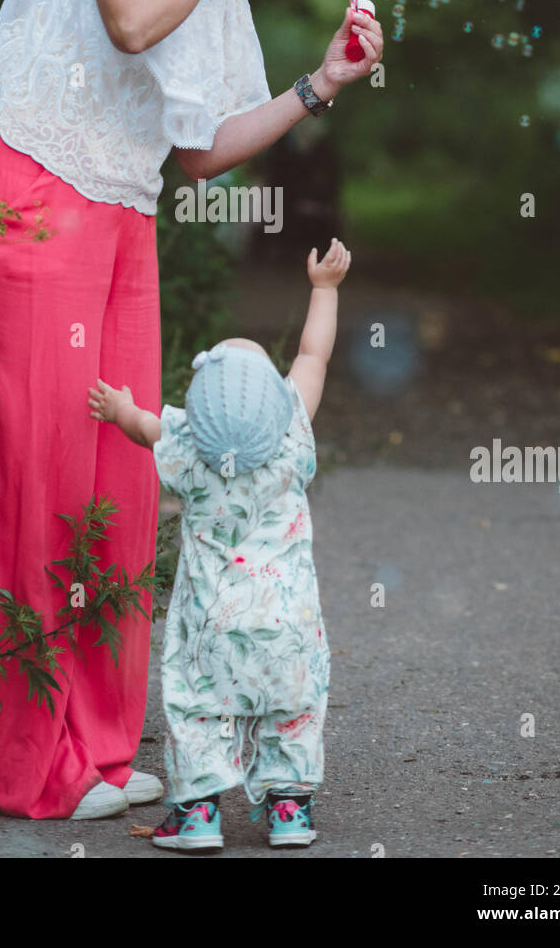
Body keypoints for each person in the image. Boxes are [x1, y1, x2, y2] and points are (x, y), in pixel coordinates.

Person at [0, 0, 382, 822]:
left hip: (122, 221)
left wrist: (318, 82)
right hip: (35, 194)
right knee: (34, 467)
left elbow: (198, 151)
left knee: (120, 482)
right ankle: (21, 762)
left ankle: (93, 750)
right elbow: (131, 20)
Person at [88, 238, 350, 851]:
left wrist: (118, 407)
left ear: (198, 407)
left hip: (211, 625)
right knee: (293, 706)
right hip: (287, 624)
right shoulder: (293, 438)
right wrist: (325, 289)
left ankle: (199, 814)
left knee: (199, 708)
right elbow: (314, 354)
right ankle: (289, 811)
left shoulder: (187, 448)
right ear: (276, 401)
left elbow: (141, 424)